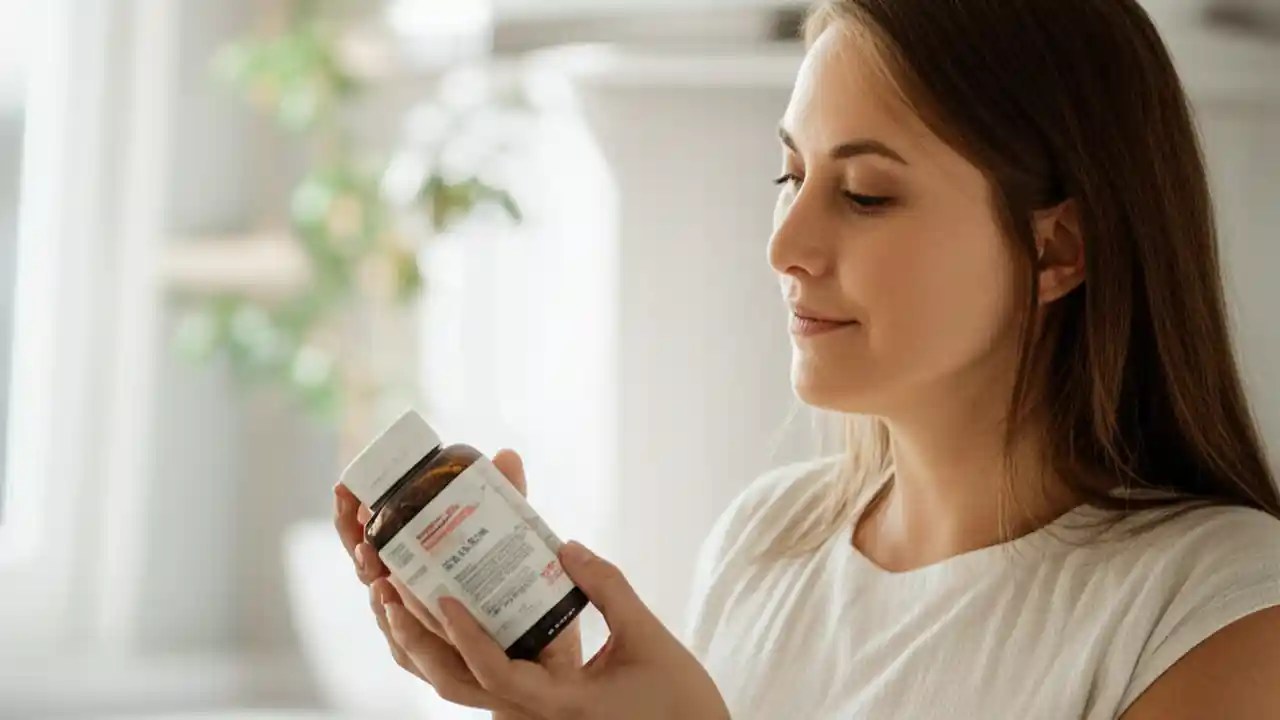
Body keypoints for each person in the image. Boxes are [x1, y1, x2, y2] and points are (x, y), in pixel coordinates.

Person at [332, 0, 1280, 717]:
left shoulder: (1220, 606)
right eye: (790, 174)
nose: (787, 243)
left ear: (1057, 250)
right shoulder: (766, 543)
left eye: (865, 193)